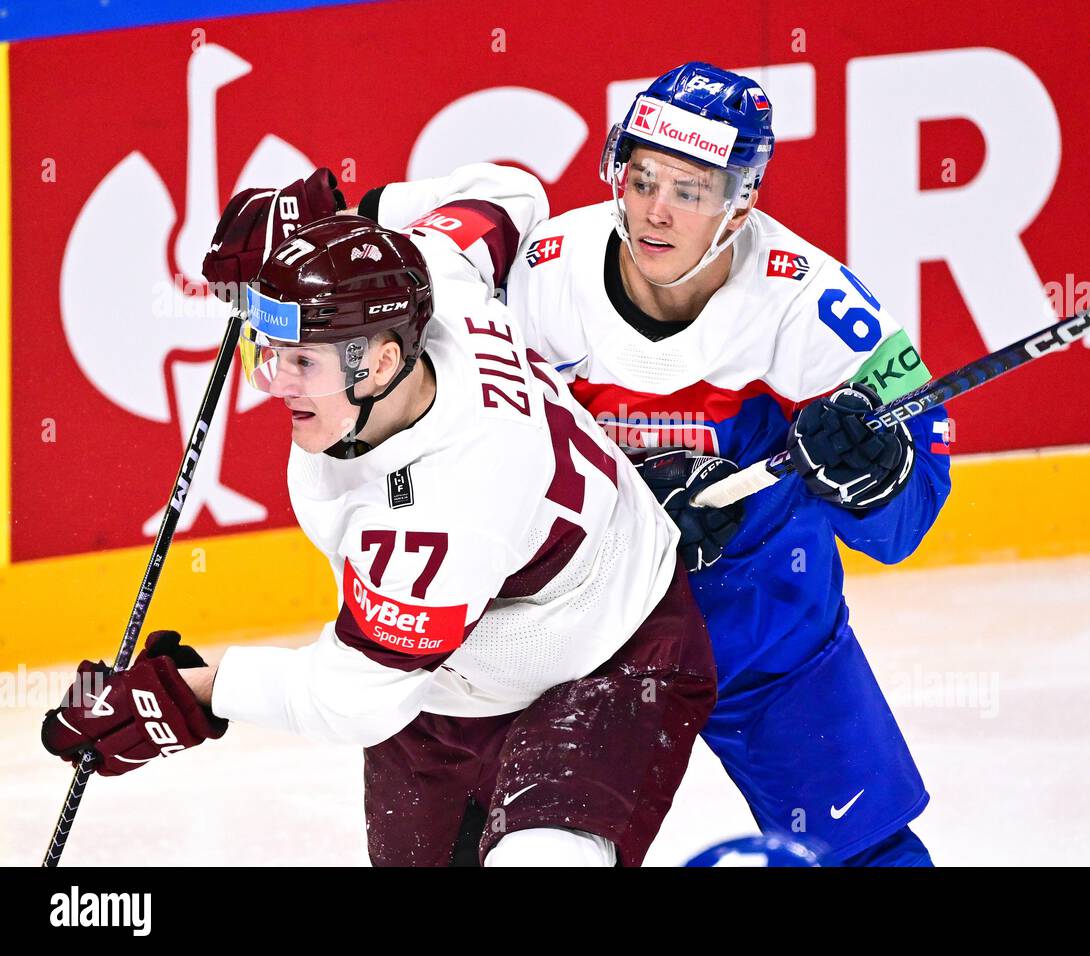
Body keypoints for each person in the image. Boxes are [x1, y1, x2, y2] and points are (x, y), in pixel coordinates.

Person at [355, 63, 953, 865]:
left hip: (762, 629)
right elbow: (452, 449)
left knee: (865, 852)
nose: (656, 212)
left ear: (742, 203)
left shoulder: (819, 310)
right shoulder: (539, 282)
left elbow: (907, 517)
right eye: (642, 179)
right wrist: (616, 516)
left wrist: (873, 475)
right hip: (576, 636)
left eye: (691, 190)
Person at [42, 175, 717, 868]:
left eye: (302, 361)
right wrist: (342, 224)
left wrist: (187, 695)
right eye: (270, 353)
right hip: (444, 679)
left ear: (383, 362)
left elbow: (353, 697)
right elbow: (509, 194)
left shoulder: (446, 508)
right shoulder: (433, 278)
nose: (277, 384)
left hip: (611, 657)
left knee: (544, 859)